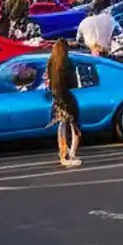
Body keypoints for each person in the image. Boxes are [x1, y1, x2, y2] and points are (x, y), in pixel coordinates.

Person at [47, 39, 82, 168]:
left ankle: (63, 152)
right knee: (74, 127)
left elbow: (50, 81)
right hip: (67, 97)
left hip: (56, 97)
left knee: (62, 125)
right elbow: (73, 84)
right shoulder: (68, 63)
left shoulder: (51, 62)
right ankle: (71, 154)